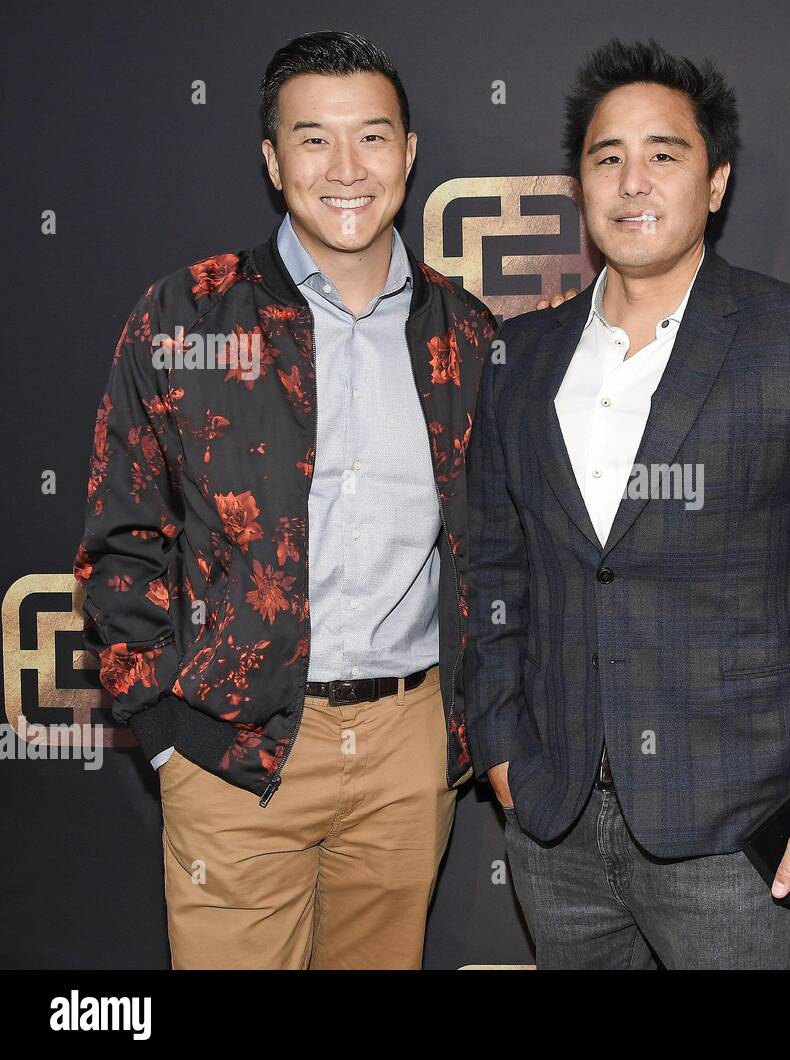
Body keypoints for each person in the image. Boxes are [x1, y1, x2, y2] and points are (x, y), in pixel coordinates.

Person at [464, 38, 790, 969]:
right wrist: (501, 749)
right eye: (607, 157)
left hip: (738, 835)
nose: (633, 181)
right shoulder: (521, 356)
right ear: (579, 185)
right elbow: (492, 569)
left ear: (714, 183)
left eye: (664, 155)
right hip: (555, 832)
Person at [73, 30, 495, 968]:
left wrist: (457, 734)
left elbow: (491, 548)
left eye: (373, 137)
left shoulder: (464, 335)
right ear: (272, 160)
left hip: (406, 748)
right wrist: (165, 730)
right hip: (230, 746)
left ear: (410, 153)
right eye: (313, 139)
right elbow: (122, 541)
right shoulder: (185, 316)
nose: (346, 168)